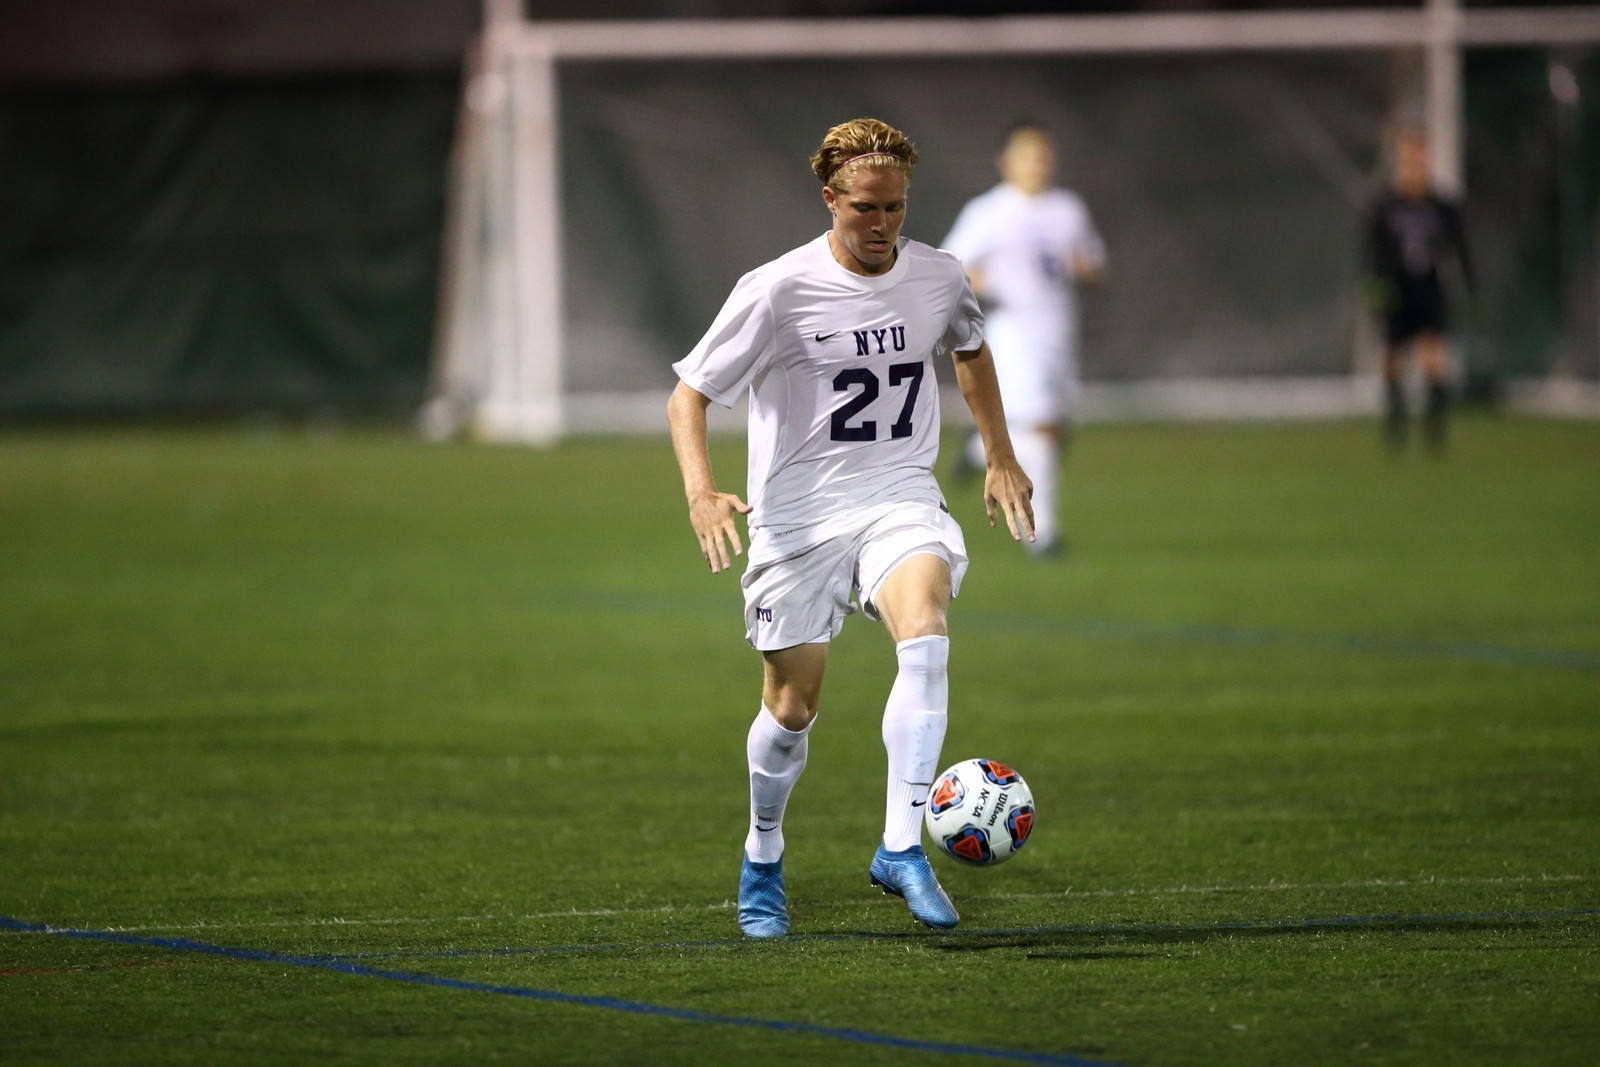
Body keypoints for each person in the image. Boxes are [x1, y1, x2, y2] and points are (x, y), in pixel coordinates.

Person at [666, 117, 1036, 939]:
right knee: (792, 707)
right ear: (830, 198)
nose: (881, 225)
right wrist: (701, 492)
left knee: (927, 626)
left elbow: (969, 349)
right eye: (865, 208)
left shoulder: (939, 276)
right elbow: (689, 394)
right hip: (796, 521)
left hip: (898, 496)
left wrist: (1001, 455)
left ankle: (901, 844)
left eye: (895, 209)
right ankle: (763, 853)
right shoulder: (777, 288)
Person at [940, 121, 1106, 556]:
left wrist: (1082, 269)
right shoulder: (989, 211)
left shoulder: (1068, 208)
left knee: (1057, 429)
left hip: (1058, 332)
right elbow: (950, 268)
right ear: (1006, 161)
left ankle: (979, 450)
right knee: (1044, 428)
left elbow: (1092, 263)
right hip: (1012, 335)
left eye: (1044, 155)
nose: (1038, 164)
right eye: (1029, 154)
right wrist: (982, 281)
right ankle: (1042, 535)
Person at [1363, 127, 1474, 453]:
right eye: (1408, 158)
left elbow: (1461, 249)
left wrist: (1470, 287)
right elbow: (1372, 249)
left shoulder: (1443, 206)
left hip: (1429, 288)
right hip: (1396, 291)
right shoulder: (1385, 205)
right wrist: (1372, 283)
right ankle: (1395, 426)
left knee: (1433, 359)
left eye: (1419, 157)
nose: (1414, 164)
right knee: (1392, 359)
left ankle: (1434, 430)